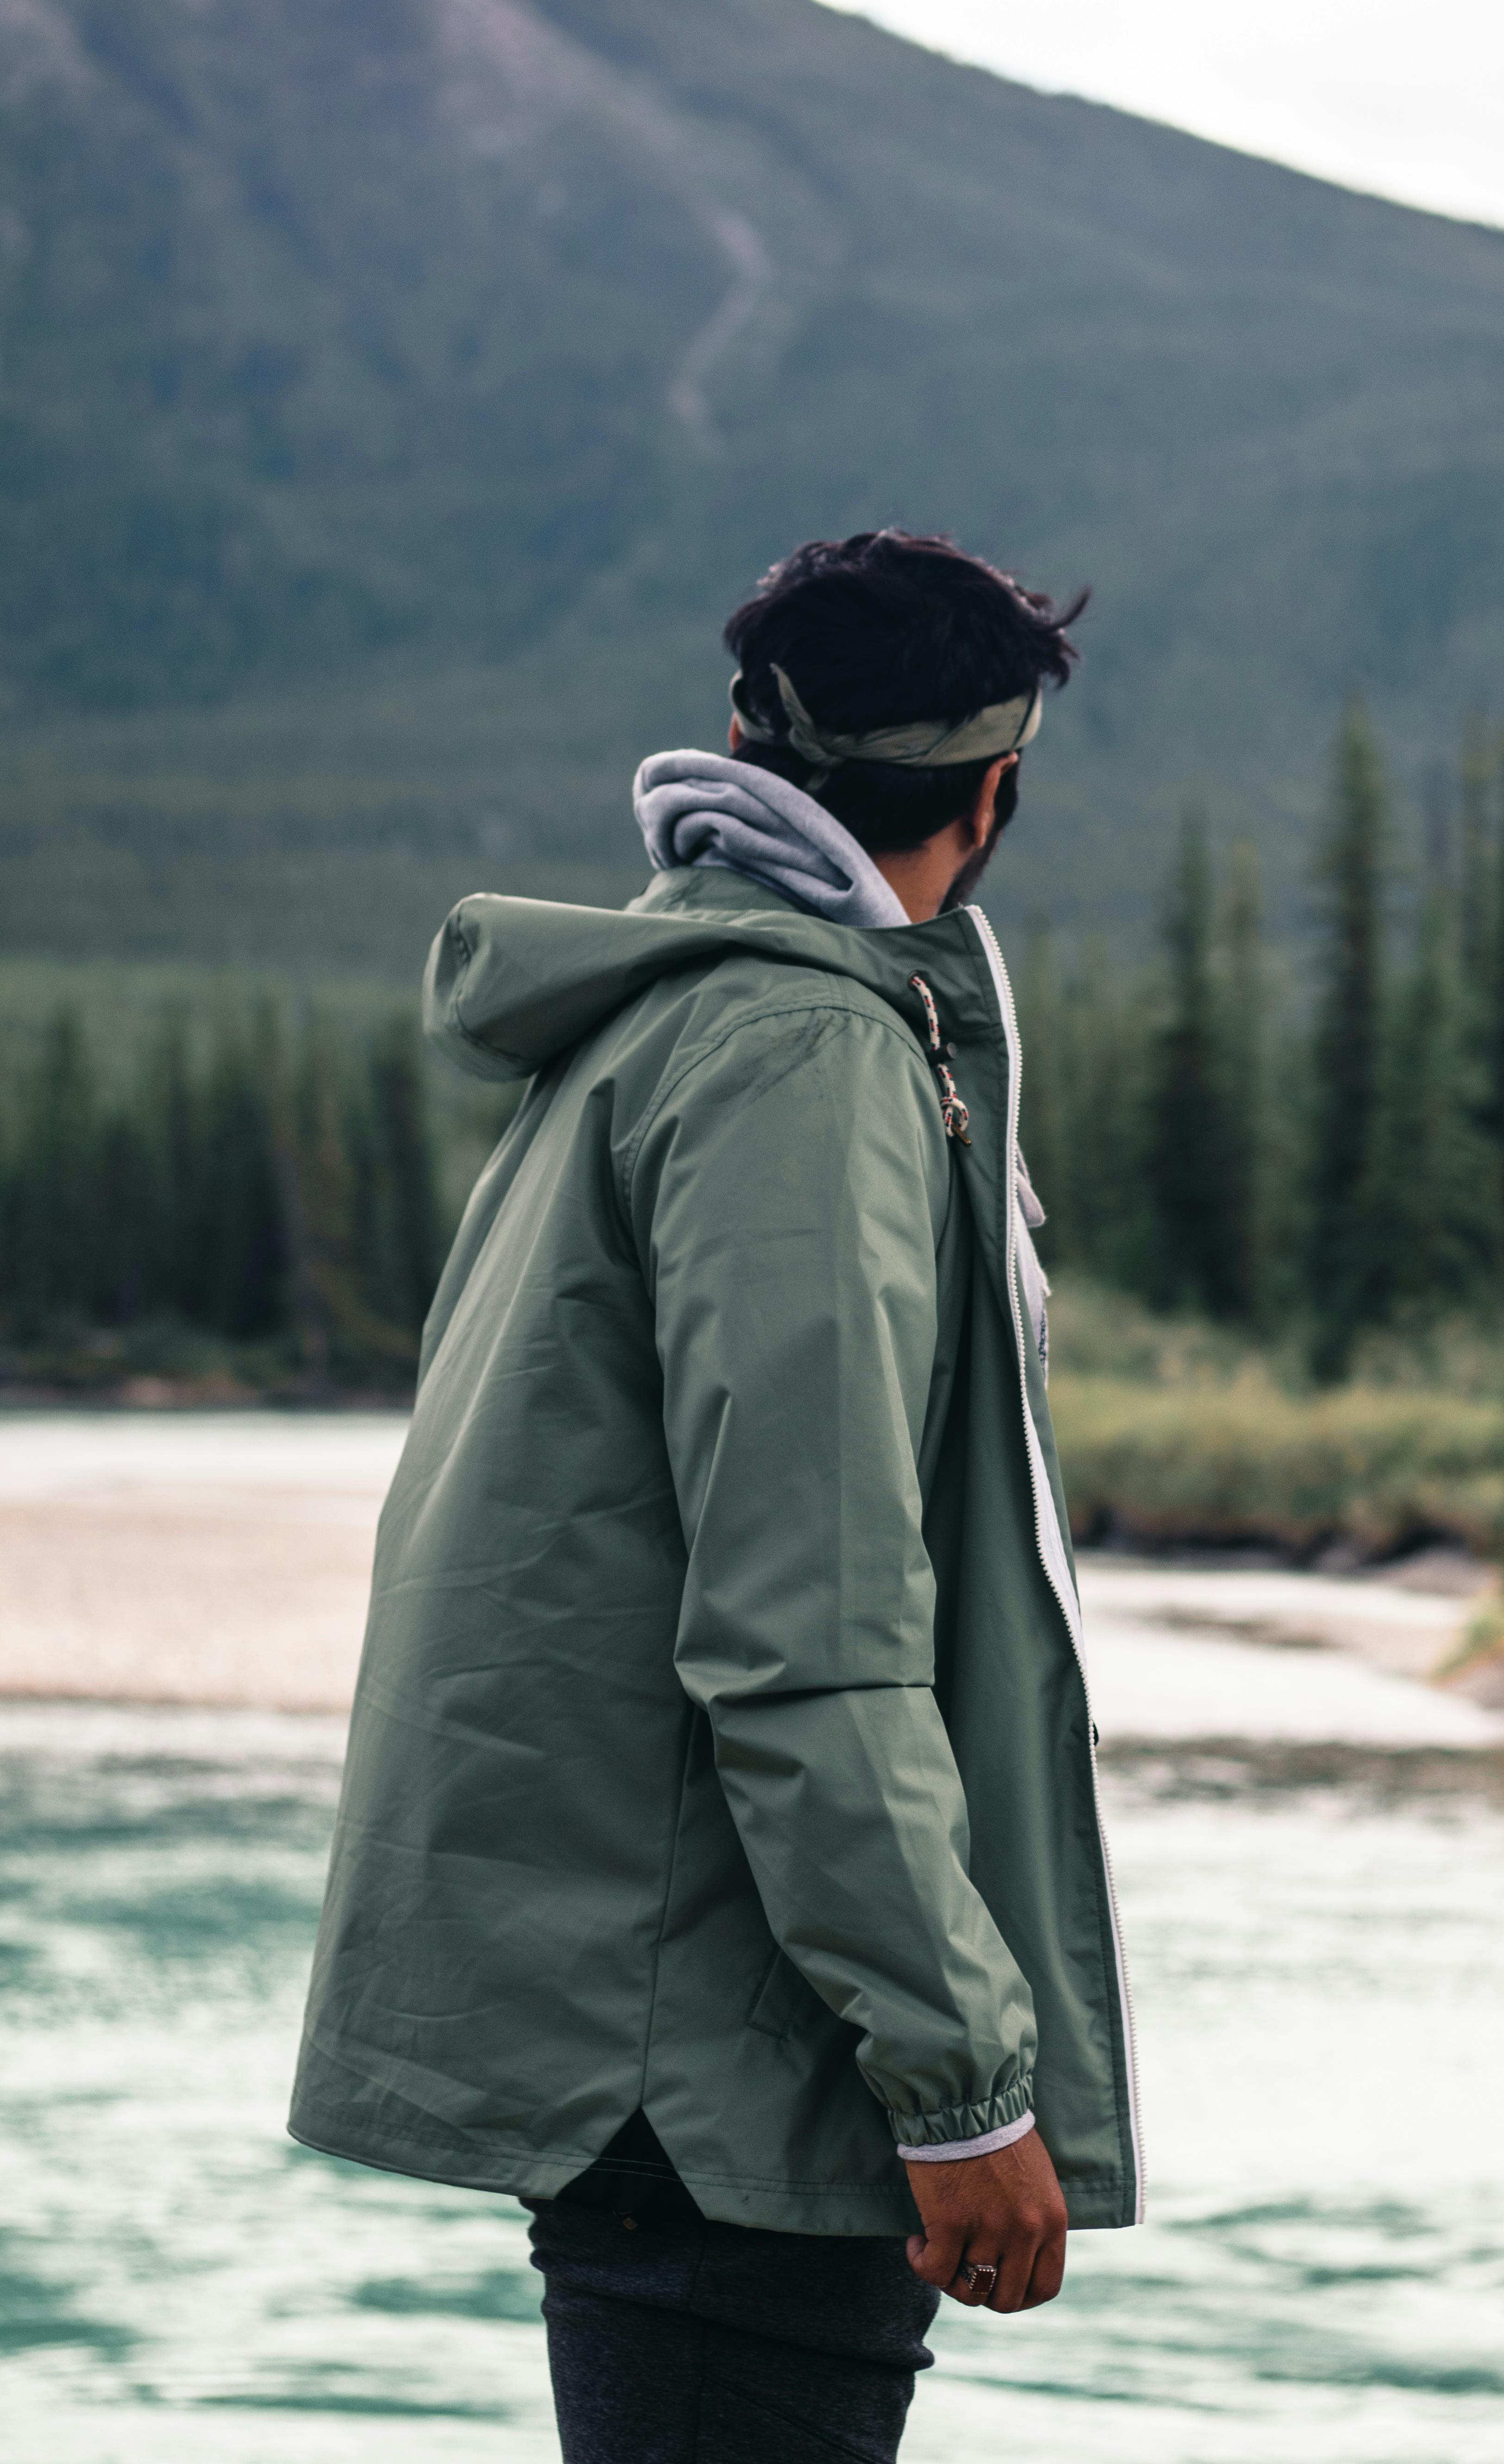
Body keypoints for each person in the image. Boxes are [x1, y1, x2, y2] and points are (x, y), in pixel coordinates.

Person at [289, 529, 1141, 2463]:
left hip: (661, 2030)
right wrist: (961, 2085)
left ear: (739, 744)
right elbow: (806, 1629)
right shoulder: (801, 1049)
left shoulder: (657, 1013)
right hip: (721, 2063)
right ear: (994, 796)